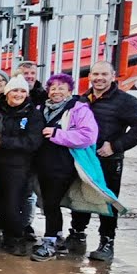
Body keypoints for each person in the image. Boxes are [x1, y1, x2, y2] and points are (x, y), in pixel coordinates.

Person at [68, 61, 137, 262]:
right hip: (84, 158)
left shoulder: (126, 101)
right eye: (95, 74)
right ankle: (77, 234)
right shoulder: (81, 100)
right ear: (90, 77)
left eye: (104, 74)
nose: (99, 78)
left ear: (113, 76)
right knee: (80, 196)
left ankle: (107, 242)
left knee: (107, 201)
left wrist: (115, 146)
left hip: (108, 160)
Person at [30, 73, 100, 261]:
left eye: (62, 88)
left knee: (52, 203)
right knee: (47, 202)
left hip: (62, 164)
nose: (56, 91)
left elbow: (88, 136)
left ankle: (50, 240)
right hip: (40, 164)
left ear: (70, 91)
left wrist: (57, 134)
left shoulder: (78, 109)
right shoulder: (41, 107)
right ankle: (57, 235)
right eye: (53, 88)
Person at [0, 76, 43, 255]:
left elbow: (32, 141)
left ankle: (15, 238)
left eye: (22, 91)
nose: (18, 94)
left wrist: (3, 141)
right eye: (15, 90)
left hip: (18, 166)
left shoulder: (32, 113)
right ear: (7, 92)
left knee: (13, 204)